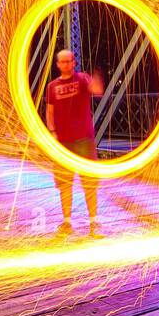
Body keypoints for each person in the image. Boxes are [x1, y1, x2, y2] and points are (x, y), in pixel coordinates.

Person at [44, 49, 105, 238]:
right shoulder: (52, 86)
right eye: (62, 62)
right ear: (58, 65)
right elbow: (50, 112)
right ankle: (67, 222)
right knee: (64, 183)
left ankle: (94, 222)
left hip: (84, 139)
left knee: (89, 182)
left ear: (74, 62)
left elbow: (97, 91)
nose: (66, 64)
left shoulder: (83, 79)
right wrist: (52, 133)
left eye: (69, 61)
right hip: (63, 142)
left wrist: (97, 77)